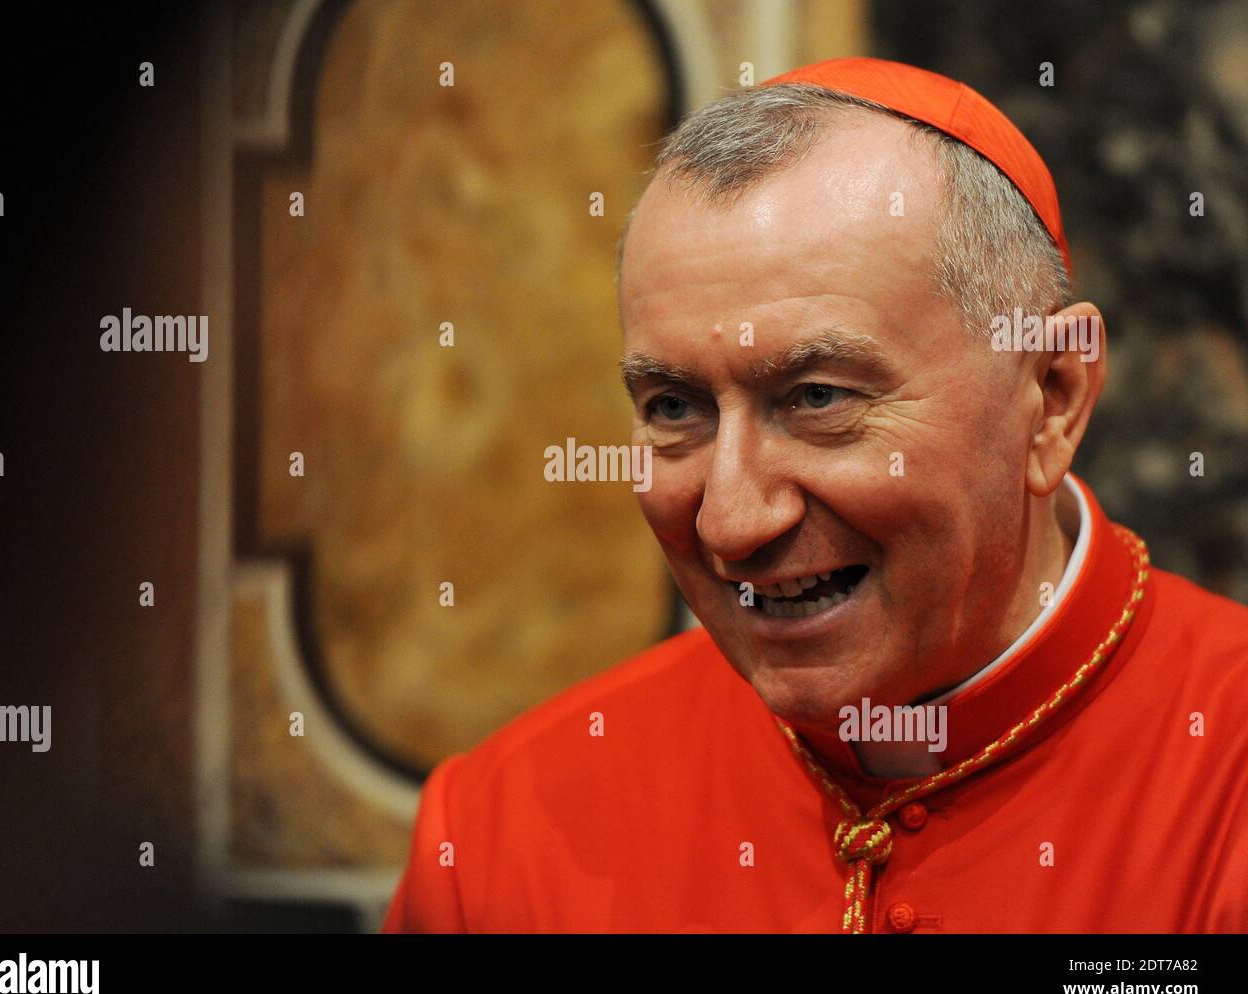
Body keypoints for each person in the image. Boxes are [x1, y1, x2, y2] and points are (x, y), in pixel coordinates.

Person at [382, 58, 1248, 933]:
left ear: (1051, 395)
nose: (731, 520)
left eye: (819, 397)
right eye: (674, 407)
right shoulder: (498, 836)